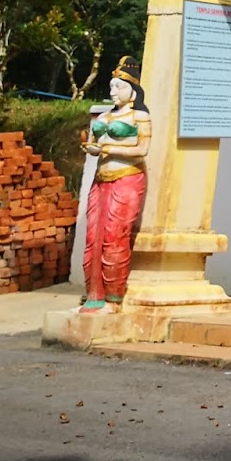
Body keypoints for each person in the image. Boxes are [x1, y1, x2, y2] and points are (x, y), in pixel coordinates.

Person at [79, 57, 151, 314]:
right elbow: (97, 144)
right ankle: (93, 294)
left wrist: (107, 147)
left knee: (114, 237)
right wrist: (92, 148)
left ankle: (114, 298)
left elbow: (142, 149)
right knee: (93, 239)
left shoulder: (139, 115)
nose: (113, 91)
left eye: (118, 86)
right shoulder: (105, 116)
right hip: (101, 179)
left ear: (132, 90)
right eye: (111, 86)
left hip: (127, 178)